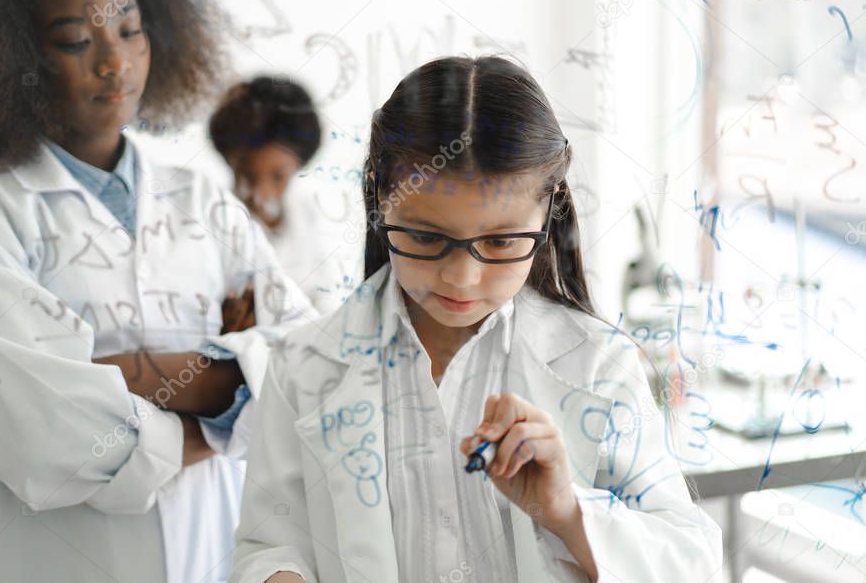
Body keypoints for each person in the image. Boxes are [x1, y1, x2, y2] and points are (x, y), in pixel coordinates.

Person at [0, 0, 313, 582]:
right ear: (12, 60)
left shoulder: (204, 202)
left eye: (129, 30)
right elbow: (44, 429)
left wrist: (123, 369)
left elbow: (303, 367)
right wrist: (223, 389)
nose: (114, 62)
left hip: (207, 552)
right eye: (75, 39)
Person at [230, 56, 723, 582]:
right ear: (379, 198)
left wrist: (567, 511)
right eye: (425, 237)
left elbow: (690, 562)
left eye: (501, 241)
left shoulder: (599, 363)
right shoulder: (303, 365)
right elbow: (269, 543)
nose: (461, 278)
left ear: (548, 209)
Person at [209, 76, 361, 313]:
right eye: (247, 176)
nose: (262, 194)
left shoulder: (310, 216)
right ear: (229, 161)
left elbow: (325, 300)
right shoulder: (210, 226)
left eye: (278, 177)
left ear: (299, 165)